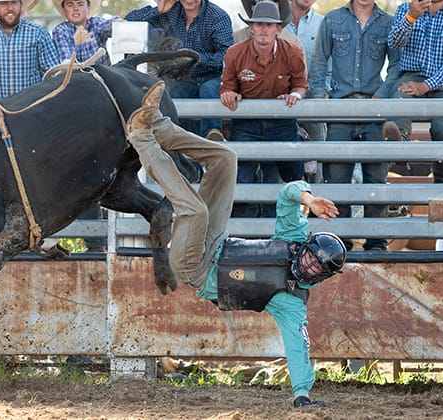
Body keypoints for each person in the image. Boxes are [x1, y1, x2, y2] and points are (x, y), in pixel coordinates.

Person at [127, 80, 346, 408]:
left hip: (196, 269)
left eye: (317, 268)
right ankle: (158, 126)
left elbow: (298, 347)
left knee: (195, 209)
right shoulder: (293, 238)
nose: (310, 264)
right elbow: (287, 196)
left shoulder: (292, 304)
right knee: (227, 158)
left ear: (319, 277)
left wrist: (302, 394)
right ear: (307, 246)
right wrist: (308, 197)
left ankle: (142, 139)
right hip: (217, 244)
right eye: (313, 256)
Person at [308, 0, 400, 252]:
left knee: (375, 179)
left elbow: (396, 65)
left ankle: (376, 243)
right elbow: (318, 59)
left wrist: (382, 95)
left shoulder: (388, 23)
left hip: (374, 107)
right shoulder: (333, 19)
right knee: (336, 179)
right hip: (340, 107)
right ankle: (340, 241)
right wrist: (318, 96)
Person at [220, 1, 307, 218]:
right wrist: (230, 94)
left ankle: (279, 234)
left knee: (288, 174)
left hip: (282, 120)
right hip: (246, 122)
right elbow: (227, 86)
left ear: (278, 29)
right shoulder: (234, 53)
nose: (263, 30)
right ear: (251, 27)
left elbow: (301, 85)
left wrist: (294, 96)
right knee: (241, 177)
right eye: (258, 24)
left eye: (269, 25)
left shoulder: (293, 52)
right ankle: (240, 234)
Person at [387, 0, 443, 184]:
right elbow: (393, 43)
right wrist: (410, 18)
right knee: (398, 103)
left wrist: (426, 86)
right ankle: (399, 150)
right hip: (413, 75)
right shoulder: (405, 9)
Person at [125, 0, 232, 141]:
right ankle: (183, 138)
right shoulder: (170, 11)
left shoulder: (218, 16)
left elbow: (226, 57)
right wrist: (158, 10)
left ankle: (212, 133)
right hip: (183, 78)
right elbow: (129, 20)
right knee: (175, 93)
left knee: (208, 89)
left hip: (212, 76)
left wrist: (194, 58)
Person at [286, 0, 327, 183]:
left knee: (317, 155)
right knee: (281, 155)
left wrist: (320, 92)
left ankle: (317, 202)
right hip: (282, 98)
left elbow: (330, 66)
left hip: (314, 96)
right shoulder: (275, 23)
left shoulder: (324, 23)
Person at [51, 0, 116, 65]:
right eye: (70, 5)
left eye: (80, 4)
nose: (75, 9)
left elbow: (111, 26)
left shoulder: (96, 23)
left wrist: (118, 23)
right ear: (64, 9)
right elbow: (67, 61)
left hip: (103, 73)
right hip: (77, 74)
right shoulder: (60, 31)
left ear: (88, 7)